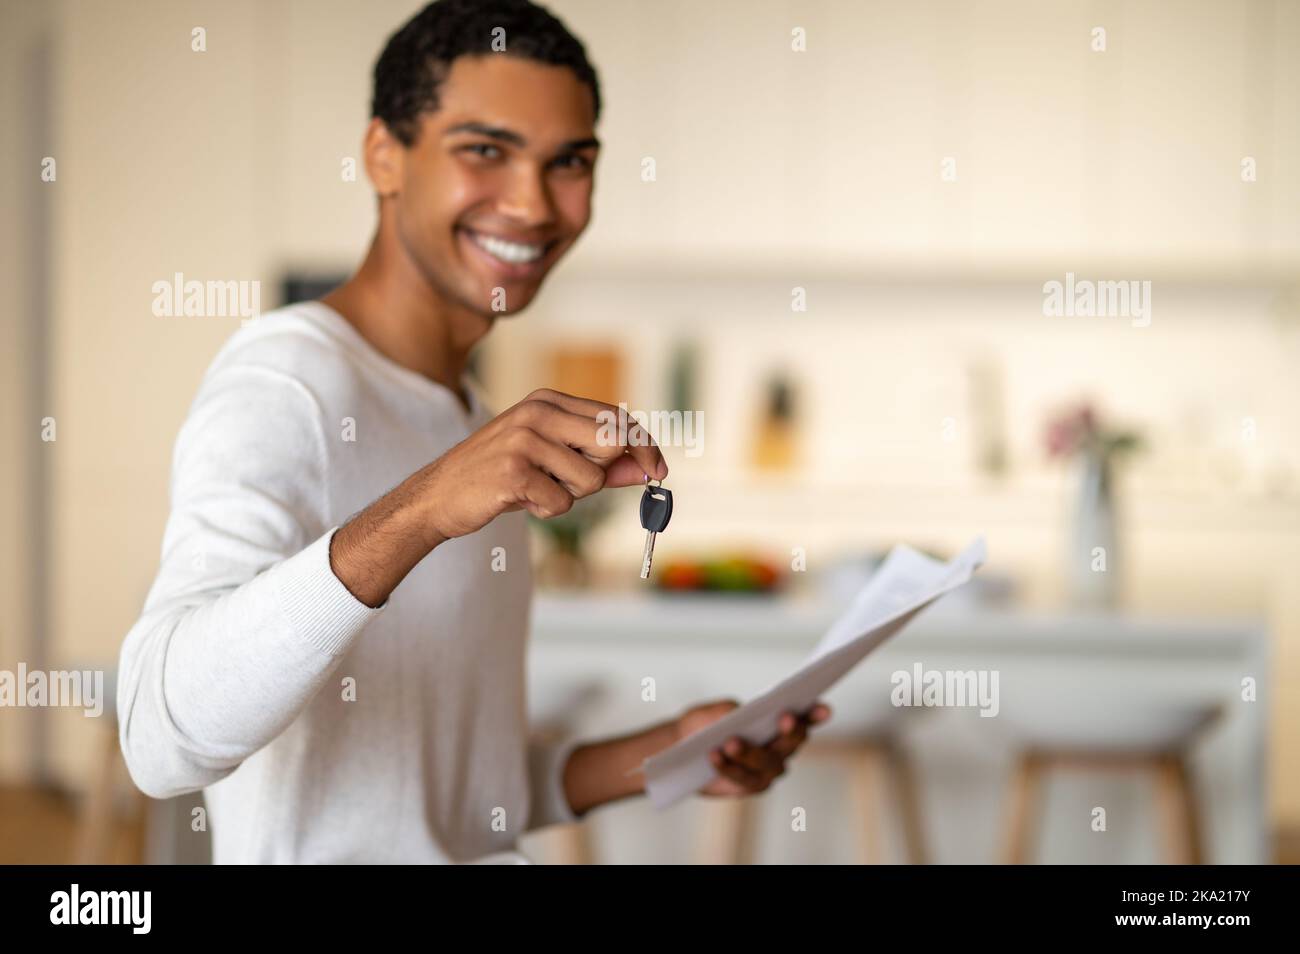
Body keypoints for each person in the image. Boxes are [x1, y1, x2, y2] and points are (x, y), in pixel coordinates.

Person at [117, 0, 829, 864]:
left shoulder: (468, 419)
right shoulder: (287, 383)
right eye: (484, 151)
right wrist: (423, 508)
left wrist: (669, 753)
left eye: (568, 162)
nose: (532, 203)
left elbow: (456, 799)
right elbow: (157, 739)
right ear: (386, 156)